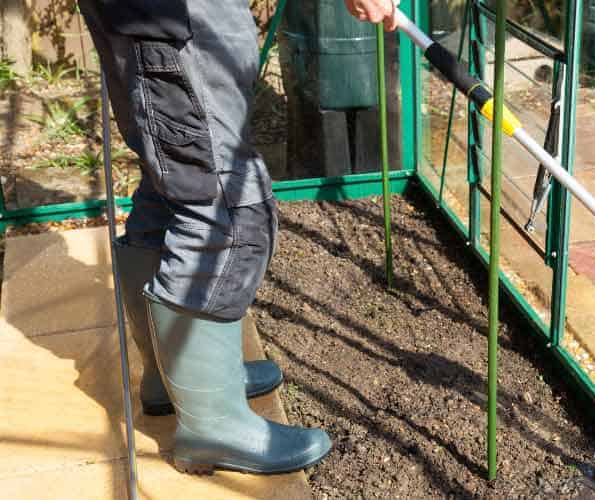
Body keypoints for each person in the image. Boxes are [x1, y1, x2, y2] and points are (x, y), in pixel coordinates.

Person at [79, 0, 397, 475]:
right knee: (224, 211)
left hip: (147, 17)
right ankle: (212, 428)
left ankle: (175, 381)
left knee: (172, 187)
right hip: (172, 19)